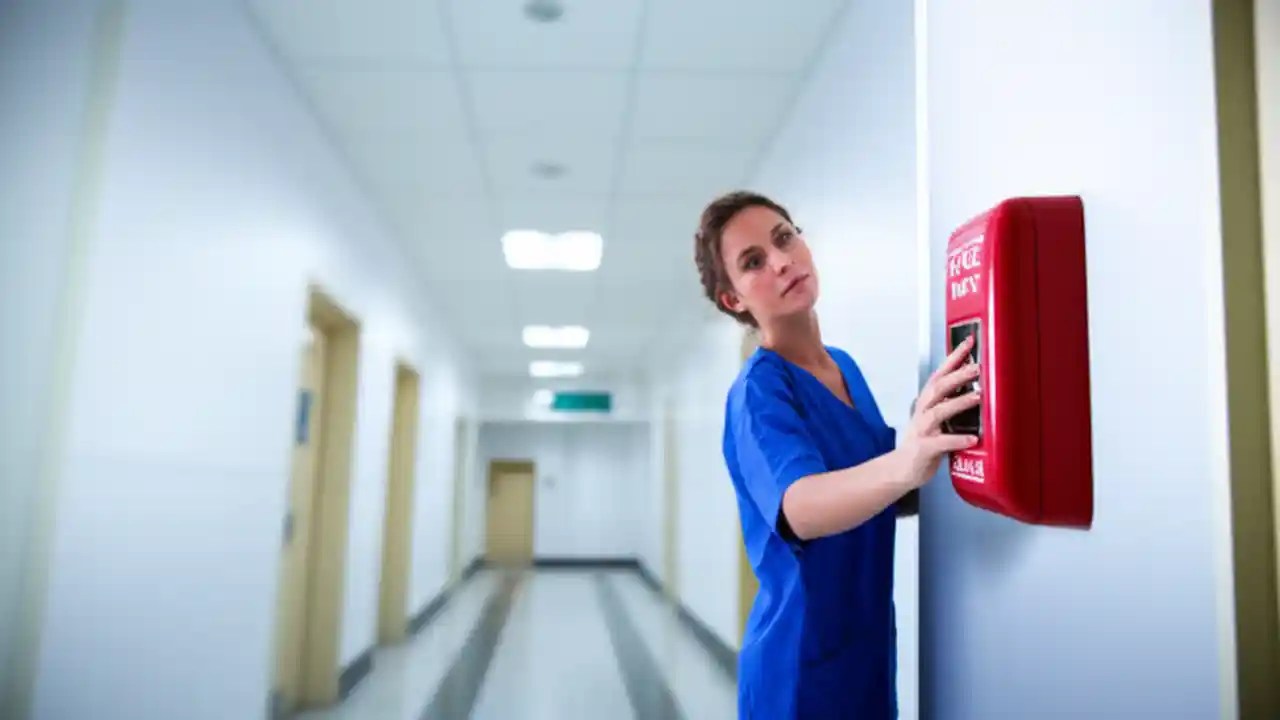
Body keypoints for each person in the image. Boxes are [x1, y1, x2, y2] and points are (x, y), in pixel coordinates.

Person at [692, 191, 981, 719]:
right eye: (753, 262)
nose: (781, 261)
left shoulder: (844, 368)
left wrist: (938, 428)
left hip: (864, 652)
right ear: (733, 299)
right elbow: (799, 507)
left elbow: (886, 494)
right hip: (798, 668)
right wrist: (904, 462)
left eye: (785, 237)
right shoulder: (759, 392)